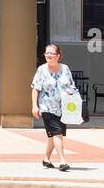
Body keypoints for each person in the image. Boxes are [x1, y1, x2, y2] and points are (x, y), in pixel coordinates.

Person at [31, 42, 76, 171]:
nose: (48, 55)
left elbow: (71, 84)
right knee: (58, 133)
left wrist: (72, 91)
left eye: (51, 53)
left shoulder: (65, 68)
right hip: (47, 107)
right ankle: (63, 161)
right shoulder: (42, 70)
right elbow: (35, 88)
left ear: (58, 55)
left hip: (64, 108)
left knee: (52, 134)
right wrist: (35, 106)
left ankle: (46, 159)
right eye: (47, 53)